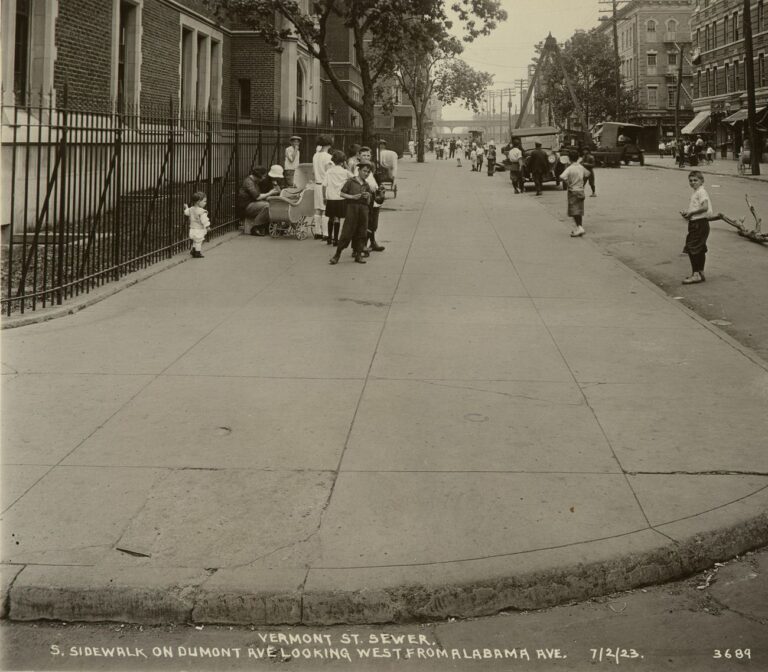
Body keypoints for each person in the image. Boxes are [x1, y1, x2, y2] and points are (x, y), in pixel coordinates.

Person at [329, 160, 374, 265]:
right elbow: (341, 193)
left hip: (363, 210)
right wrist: (352, 197)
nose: (366, 174)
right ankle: (337, 254)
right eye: (364, 171)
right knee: (347, 231)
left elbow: (369, 202)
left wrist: (368, 197)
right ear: (358, 170)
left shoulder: (367, 185)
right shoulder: (350, 181)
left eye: (368, 172)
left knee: (362, 231)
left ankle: (358, 254)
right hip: (352, 209)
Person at [679, 170, 713, 284]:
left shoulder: (701, 192)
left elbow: (705, 207)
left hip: (699, 224)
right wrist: (688, 212)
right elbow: (697, 207)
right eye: (691, 181)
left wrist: (691, 214)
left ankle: (696, 274)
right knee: (700, 248)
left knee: (692, 248)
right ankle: (700, 272)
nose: (693, 182)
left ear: (702, 181)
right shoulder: (696, 192)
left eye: (695, 180)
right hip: (698, 223)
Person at [357, 146, 385, 252]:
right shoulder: (358, 168)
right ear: (359, 156)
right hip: (366, 200)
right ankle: (362, 246)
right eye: (364, 155)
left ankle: (372, 242)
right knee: (366, 224)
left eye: (368, 155)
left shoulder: (370, 167)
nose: (366, 157)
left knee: (373, 224)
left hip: (374, 200)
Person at [237, 167, 279, 236]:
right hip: (246, 206)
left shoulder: (254, 181)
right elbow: (257, 197)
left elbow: (258, 195)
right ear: (258, 175)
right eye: (263, 176)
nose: (264, 178)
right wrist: (270, 193)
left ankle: (265, 226)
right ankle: (256, 226)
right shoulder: (249, 182)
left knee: (270, 204)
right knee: (267, 206)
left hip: (251, 204)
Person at [322, 150, 351, 247]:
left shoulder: (329, 171)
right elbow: (354, 177)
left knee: (330, 217)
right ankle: (335, 240)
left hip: (330, 198)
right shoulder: (345, 172)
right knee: (337, 218)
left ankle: (329, 238)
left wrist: (324, 197)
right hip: (340, 198)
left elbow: (324, 185)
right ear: (343, 161)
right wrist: (347, 167)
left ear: (333, 161)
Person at [560, 150, 591, 237]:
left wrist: (568, 183)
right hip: (581, 190)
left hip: (573, 191)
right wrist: (583, 183)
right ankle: (579, 227)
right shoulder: (581, 167)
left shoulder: (570, 168)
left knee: (574, 211)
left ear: (569, 158)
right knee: (579, 211)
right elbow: (588, 174)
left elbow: (561, 176)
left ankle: (580, 228)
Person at [312, 135, 333, 240]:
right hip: (325, 185)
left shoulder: (315, 155)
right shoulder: (328, 157)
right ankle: (326, 233)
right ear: (329, 144)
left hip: (317, 184)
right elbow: (329, 172)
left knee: (318, 209)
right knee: (325, 209)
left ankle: (317, 232)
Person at [184, 191, 211, 258]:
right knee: (199, 242)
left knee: (195, 241)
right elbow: (204, 220)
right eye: (204, 201)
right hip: (199, 229)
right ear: (199, 202)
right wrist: (207, 226)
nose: (205, 203)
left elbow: (186, 213)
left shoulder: (191, 209)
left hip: (192, 229)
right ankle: (197, 253)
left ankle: (193, 250)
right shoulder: (202, 212)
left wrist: (186, 207)